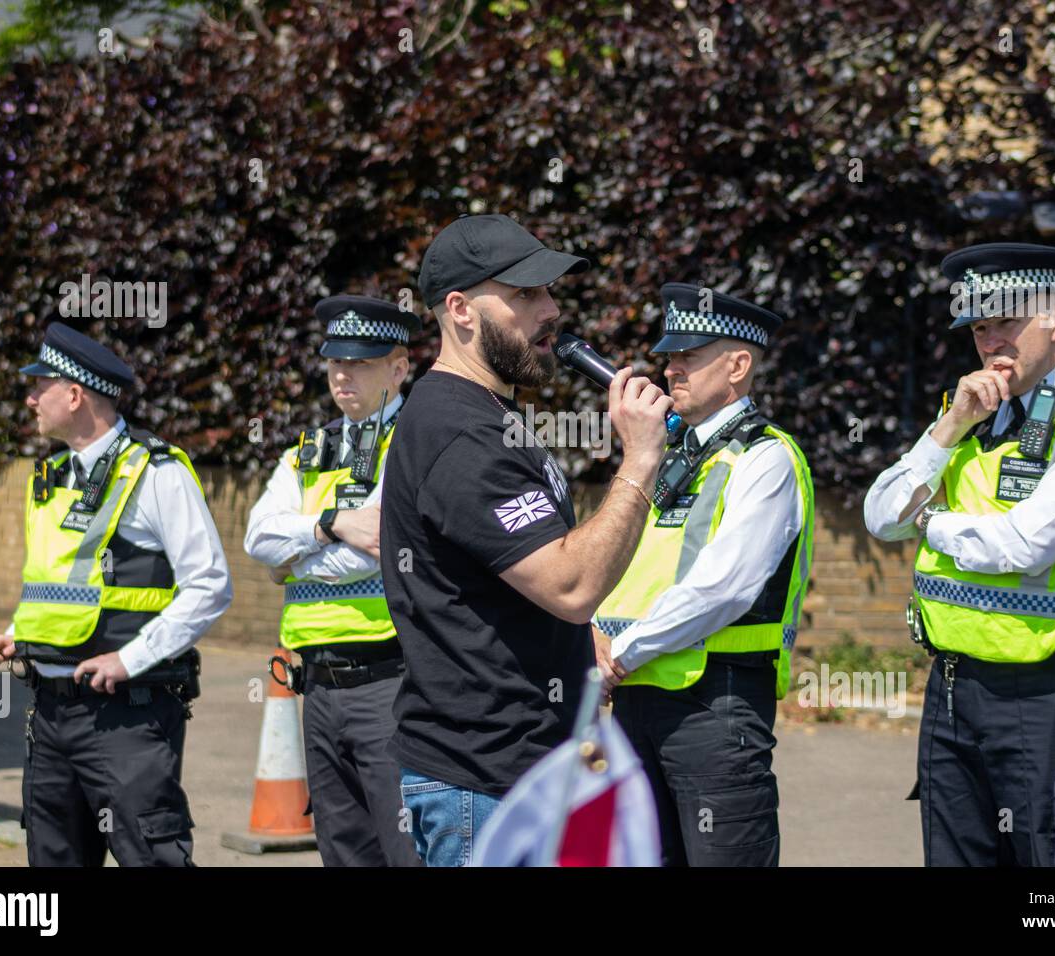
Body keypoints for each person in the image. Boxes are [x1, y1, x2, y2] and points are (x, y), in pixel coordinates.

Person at [381, 213, 673, 866]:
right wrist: (640, 461)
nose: (551, 311)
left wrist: (577, 643)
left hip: (522, 768)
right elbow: (569, 585)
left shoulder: (489, 417)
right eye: (524, 296)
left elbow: (518, 579)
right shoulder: (461, 432)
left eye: (549, 292)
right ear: (460, 310)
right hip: (484, 784)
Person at [863, 242, 1055, 866]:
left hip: (1048, 690)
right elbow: (881, 515)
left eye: (1007, 322)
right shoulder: (966, 413)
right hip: (950, 685)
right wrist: (947, 430)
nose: (992, 340)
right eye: (978, 326)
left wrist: (932, 519)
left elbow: (1027, 545)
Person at [0, 321, 233, 866]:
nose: (30, 398)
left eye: (39, 385)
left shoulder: (156, 471)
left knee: (152, 858)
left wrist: (129, 658)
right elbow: (63, 584)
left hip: (127, 716)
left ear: (74, 395)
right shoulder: (52, 477)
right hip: (49, 712)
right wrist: (15, 635)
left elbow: (210, 584)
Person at [592, 283, 813, 867]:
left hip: (715, 708)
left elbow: (725, 586)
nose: (671, 369)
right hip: (637, 700)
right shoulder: (664, 457)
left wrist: (618, 654)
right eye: (669, 356)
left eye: (689, 355)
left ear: (738, 365)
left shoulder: (765, 458)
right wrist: (590, 634)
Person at [243, 294, 421, 867]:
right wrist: (330, 525)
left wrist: (293, 557)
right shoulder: (309, 450)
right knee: (343, 851)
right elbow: (256, 540)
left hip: (389, 681)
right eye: (335, 362)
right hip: (316, 686)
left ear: (400, 367)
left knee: (405, 851)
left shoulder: (415, 440)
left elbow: (377, 552)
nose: (343, 374)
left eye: (362, 363)